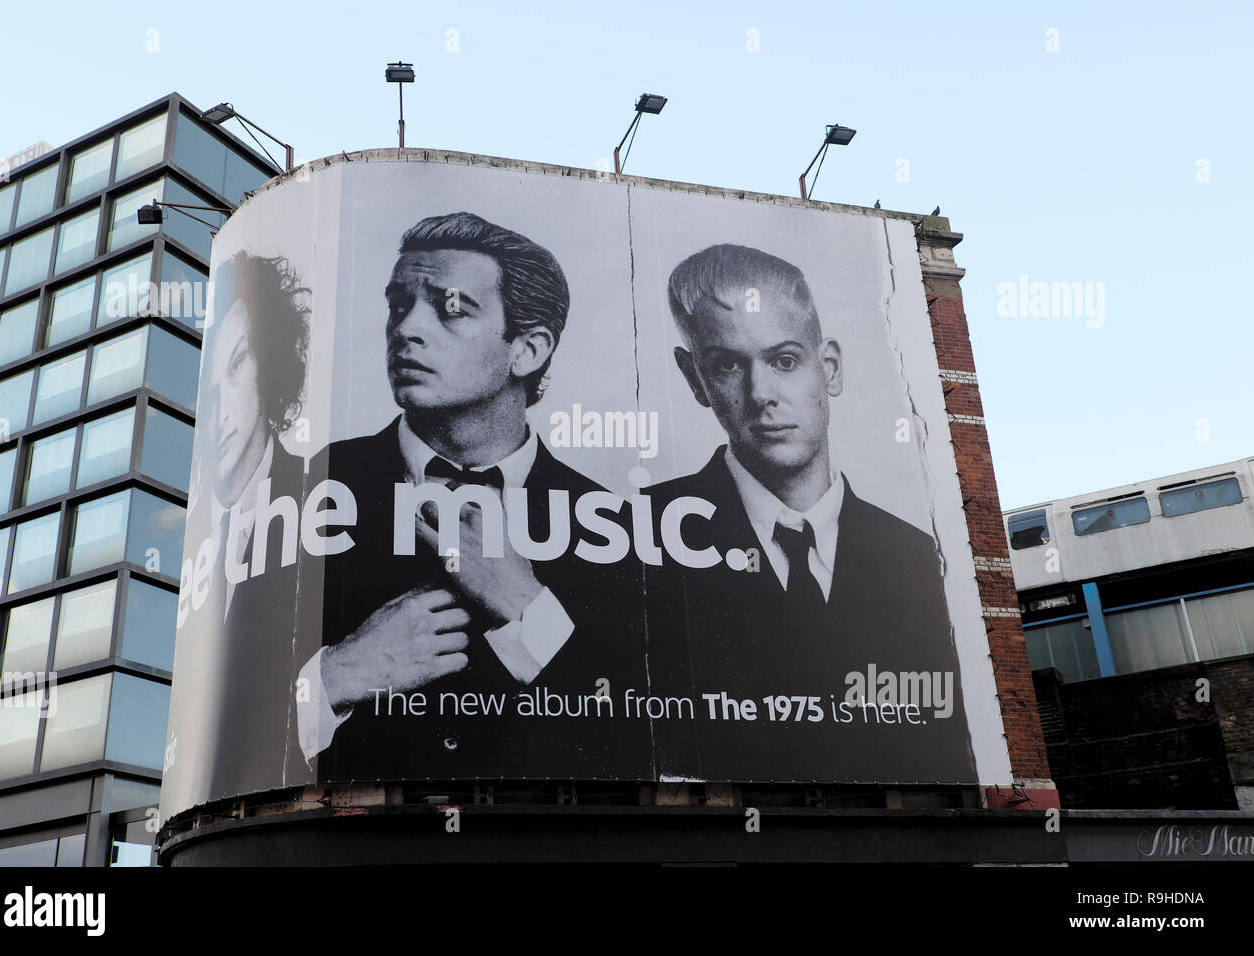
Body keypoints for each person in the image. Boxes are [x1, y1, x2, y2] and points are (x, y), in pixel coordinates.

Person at [296, 212, 651, 781]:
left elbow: (648, 738)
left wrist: (526, 608)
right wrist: (337, 676)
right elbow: (229, 728)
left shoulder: (613, 523)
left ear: (528, 350)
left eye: (451, 307)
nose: (407, 329)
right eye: (399, 304)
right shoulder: (314, 486)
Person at [643, 243, 976, 785]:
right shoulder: (647, 533)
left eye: (784, 360)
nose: (761, 395)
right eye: (727, 365)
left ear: (830, 368)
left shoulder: (913, 554)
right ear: (694, 379)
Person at [173, 251, 316, 805]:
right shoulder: (197, 548)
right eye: (208, 391)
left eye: (237, 365)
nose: (221, 411)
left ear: (270, 363)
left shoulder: (320, 498)